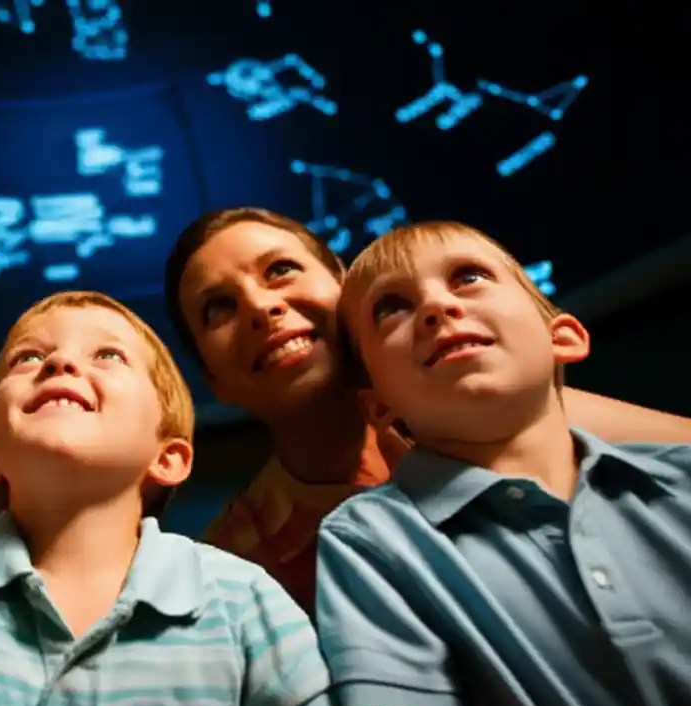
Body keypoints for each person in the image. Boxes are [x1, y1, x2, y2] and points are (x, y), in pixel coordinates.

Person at [0, 290, 334, 706]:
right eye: (28, 357)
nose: (59, 362)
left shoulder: (244, 598)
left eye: (108, 355)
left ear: (168, 457)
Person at [165, 207, 691, 612]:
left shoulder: (510, 410)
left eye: (280, 270)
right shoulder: (231, 565)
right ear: (213, 383)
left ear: (346, 285)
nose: (261, 306)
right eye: (218, 308)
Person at [314, 220, 691, 706]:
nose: (435, 306)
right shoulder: (371, 538)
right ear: (378, 404)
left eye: (468, 277)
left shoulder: (682, 475)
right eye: (392, 308)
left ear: (564, 337)